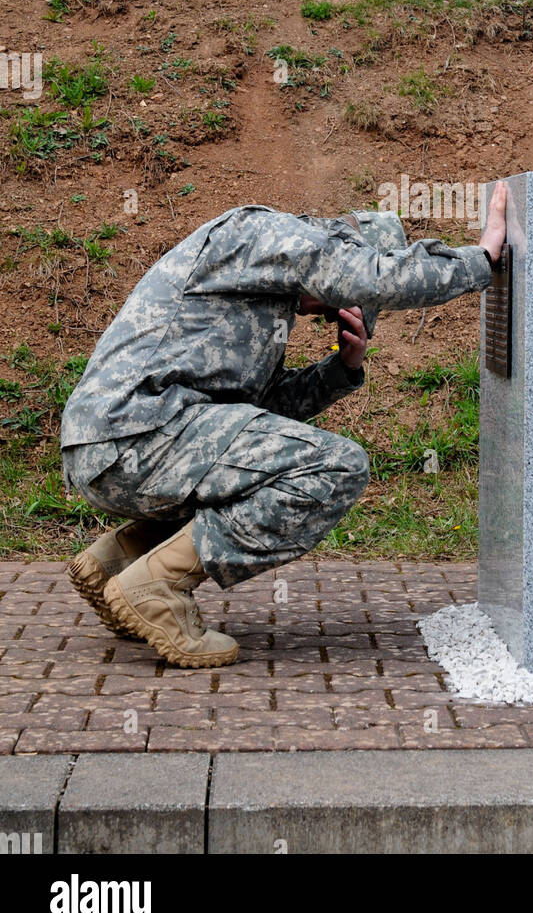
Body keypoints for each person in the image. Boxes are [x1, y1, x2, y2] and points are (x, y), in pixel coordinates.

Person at [61, 182, 508, 668]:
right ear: (345, 250)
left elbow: (260, 418)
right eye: (340, 299)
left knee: (268, 465)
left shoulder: (261, 287)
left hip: (120, 444)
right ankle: (158, 583)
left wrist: (343, 368)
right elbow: (375, 277)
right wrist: (481, 259)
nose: (331, 311)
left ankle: (116, 562)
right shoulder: (264, 232)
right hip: (136, 433)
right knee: (338, 467)